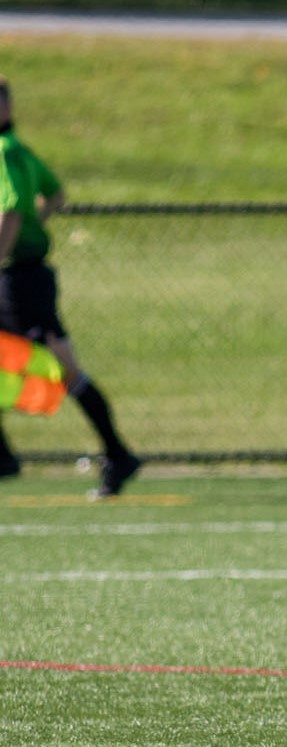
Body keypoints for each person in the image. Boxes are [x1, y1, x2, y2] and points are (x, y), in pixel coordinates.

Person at [0, 75, 141, 498]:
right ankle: (5, 457)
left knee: (63, 368)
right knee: (55, 366)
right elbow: (55, 195)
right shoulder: (20, 151)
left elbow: (10, 212)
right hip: (26, 276)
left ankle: (118, 454)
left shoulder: (6, 153)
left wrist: (15, 242)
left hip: (18, 280)